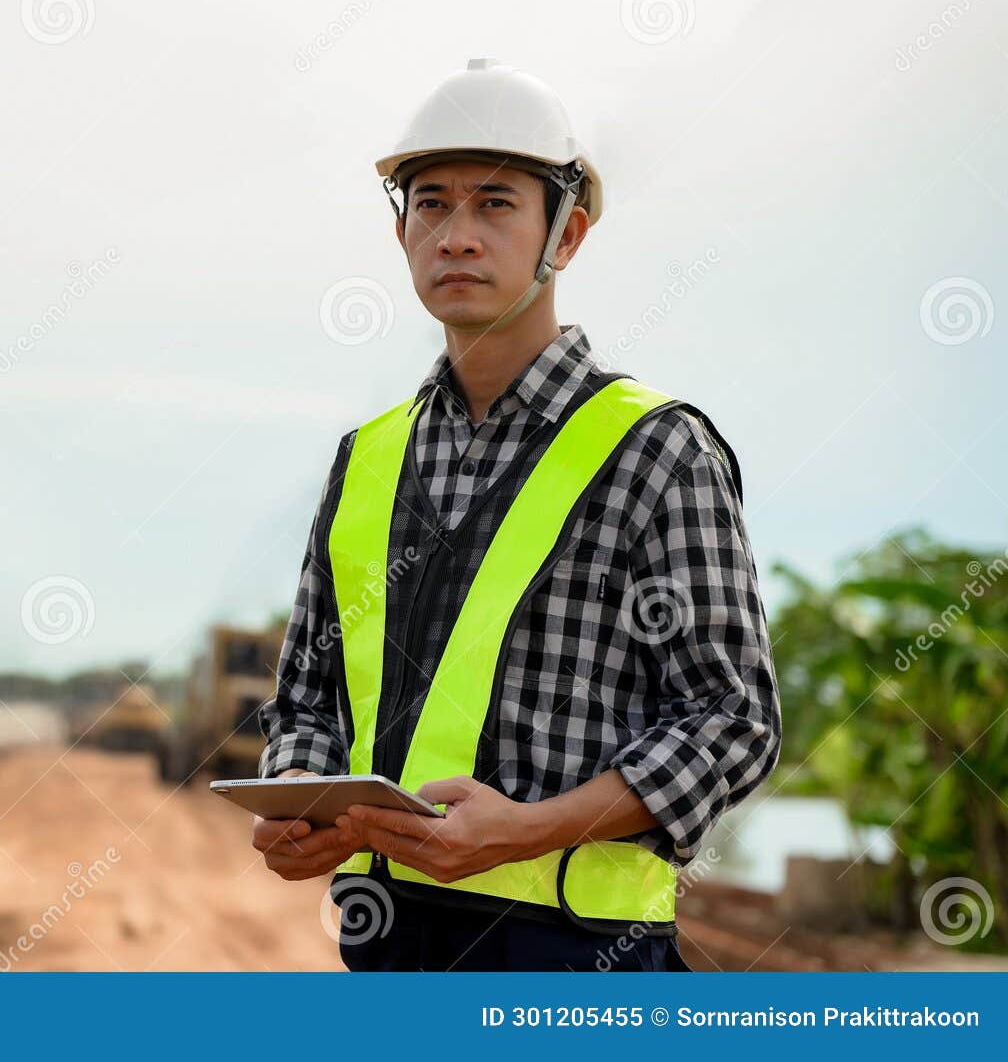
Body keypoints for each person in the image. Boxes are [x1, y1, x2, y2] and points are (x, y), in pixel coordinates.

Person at [251, 59, 782, 972]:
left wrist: (531, 829)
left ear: (565, 235)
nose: (457, 236)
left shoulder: (655, 451)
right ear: (401, 228)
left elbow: (731, 718)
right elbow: (306, 693)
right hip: (388, 945)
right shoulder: (368, 458)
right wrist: (301, 793)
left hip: (579, 961)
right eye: (431, 204)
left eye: (496, 204)